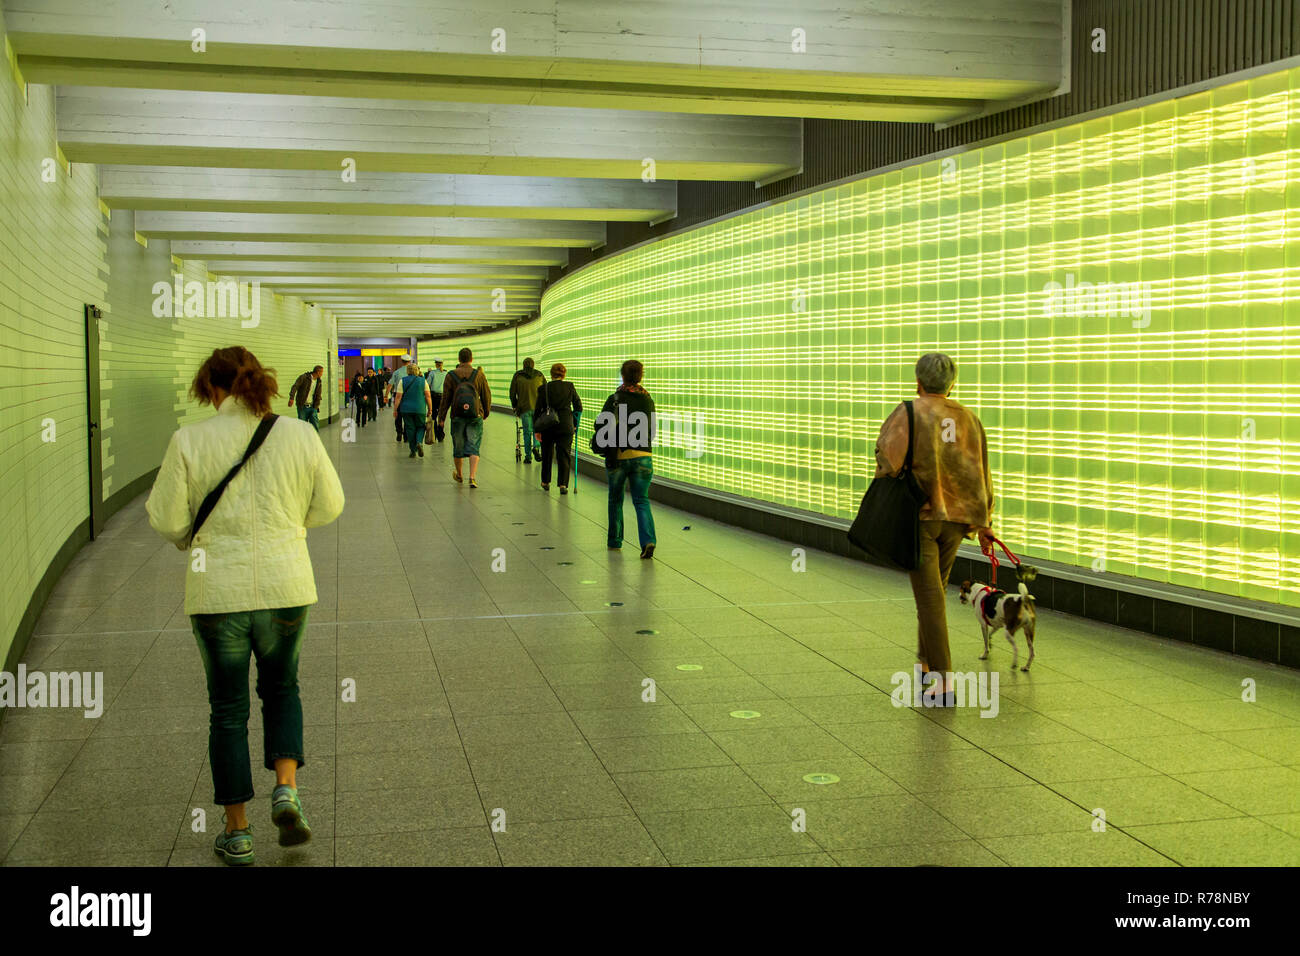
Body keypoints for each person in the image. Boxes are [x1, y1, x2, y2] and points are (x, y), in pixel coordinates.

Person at [145, 346, 345, 866]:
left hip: (217, 595)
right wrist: (289, 527)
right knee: (282, 688)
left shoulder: (189, 440)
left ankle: (237, 832)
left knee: (228, 709)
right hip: (286, 585)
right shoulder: (300, 433)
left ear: (213, 389)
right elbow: (331, 504)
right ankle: (286, 788)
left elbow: (166, 520)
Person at [874, 352, 996, 704]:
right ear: (952, 384)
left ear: (918, 382)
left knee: (930, 600)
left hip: (923, 519)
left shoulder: (909, 412)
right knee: (934, 595)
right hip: (958, 522)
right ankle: (925, 665)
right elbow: (982, 473)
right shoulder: (969, 419)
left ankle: (944, 684)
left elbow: (889, 458)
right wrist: (986, 522)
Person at [593, 359, 656, 559]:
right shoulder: (648, 399)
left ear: (623, 375)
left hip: (618, 455)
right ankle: (648, 541)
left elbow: (600, 425)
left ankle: (615, 541)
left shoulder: (614, 399)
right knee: (641, 500)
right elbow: (651, 432)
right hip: (643, 456)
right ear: (640, 376)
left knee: (615, 499)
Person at [437, 346, 491, 489]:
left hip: (457, 415)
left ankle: (460, 474)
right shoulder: (478, 375)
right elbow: (486, 394)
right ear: (471, 359)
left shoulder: (451, 375)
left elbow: (446, 398)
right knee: (474, 445)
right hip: (475, 414)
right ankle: (472, 477)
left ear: (459, 359)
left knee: (458, 445)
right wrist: (485, 411)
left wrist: (441, 417)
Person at [534, 362, 582, 494]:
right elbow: (579, 407)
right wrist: (575, 423)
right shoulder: (569, 386)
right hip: (566, 426)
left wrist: (536, 430)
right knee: (564, 455)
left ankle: (545, 482)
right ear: (563, 374)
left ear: (551, 374)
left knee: (547, 454)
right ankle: (563, 485)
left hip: (548, 425)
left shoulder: (544, 389)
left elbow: (538, 410)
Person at [510, 357, 546, 464]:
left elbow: (512, 393)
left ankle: (528, 457)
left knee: (526, 432)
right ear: (533, 365)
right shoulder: (539, 375)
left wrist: (515, 405)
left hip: (524, 408)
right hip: (538, 409)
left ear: (523, 365)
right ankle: (536, 447)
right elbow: (545, 391)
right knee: (537, 430)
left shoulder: (517, 376)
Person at [394, 361, 432, 459]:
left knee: (410, 429)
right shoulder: (423, 381)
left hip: (406, 409)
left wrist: (395, 409)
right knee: (420, 427)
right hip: (420, 409)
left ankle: (413, 450)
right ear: (417, 371)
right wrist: (430, 409)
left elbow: (398, 397)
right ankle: (419, 442)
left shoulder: (403, 381)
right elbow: (428, 396)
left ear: (407, 371)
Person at [287, 365, 324, 431]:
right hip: (302, 407)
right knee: (302, 426)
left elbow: (318, 394)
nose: (322, 374)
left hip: (313, 407)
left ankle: (315, 439)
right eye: (322, 372)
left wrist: (317, 405)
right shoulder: (304, 377)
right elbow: (295, 387)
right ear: (318, 372)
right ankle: (303, 440)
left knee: (315, 425)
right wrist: (291, 398)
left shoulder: (319, 382)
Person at [388, 357, 412, 443]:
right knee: (407, 415)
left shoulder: (396, 372)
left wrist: (386, 396)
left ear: (402, 361)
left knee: (398, 415)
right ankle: (406, 435)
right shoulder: (412, 372)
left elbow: (390, 384)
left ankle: (399, 432)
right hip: (409, 396)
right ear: (409, 362)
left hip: (398, 395)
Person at [424, 359, 448, 443]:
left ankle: (433, 434)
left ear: (436, 365)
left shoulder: (432, 373)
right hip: (443, 398)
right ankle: (441, 435)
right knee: (441, 416)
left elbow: (427, 384)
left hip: (434, 397)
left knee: (433, 416)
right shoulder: (446, 374)